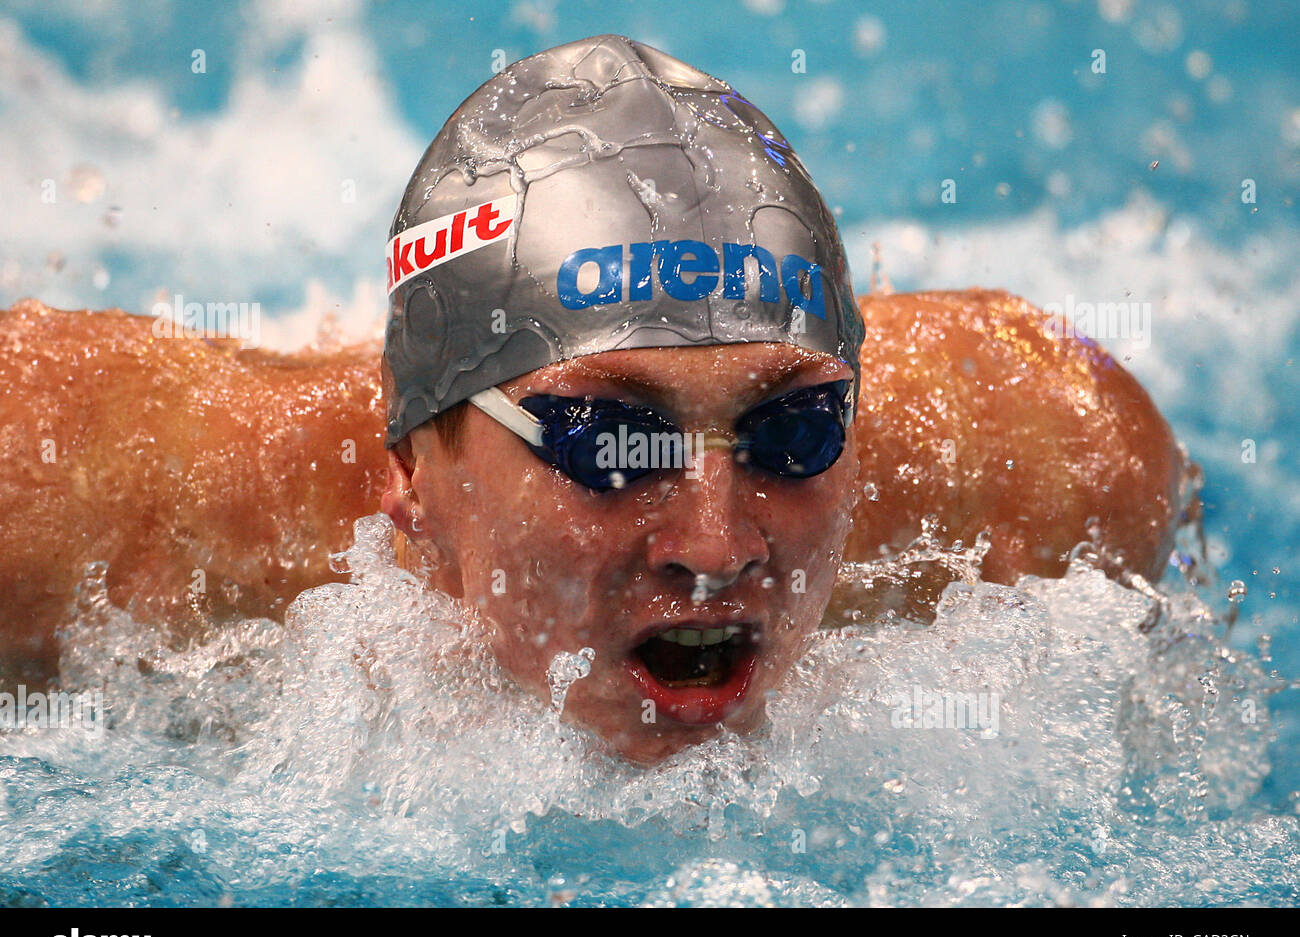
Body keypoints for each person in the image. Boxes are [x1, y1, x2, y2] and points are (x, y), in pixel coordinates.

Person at [0, 36, 1188, 763]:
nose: (717, 546)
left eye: (792, 428)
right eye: (612, 440)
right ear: (413, 464)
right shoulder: (91, 512)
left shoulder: (1054, 468)